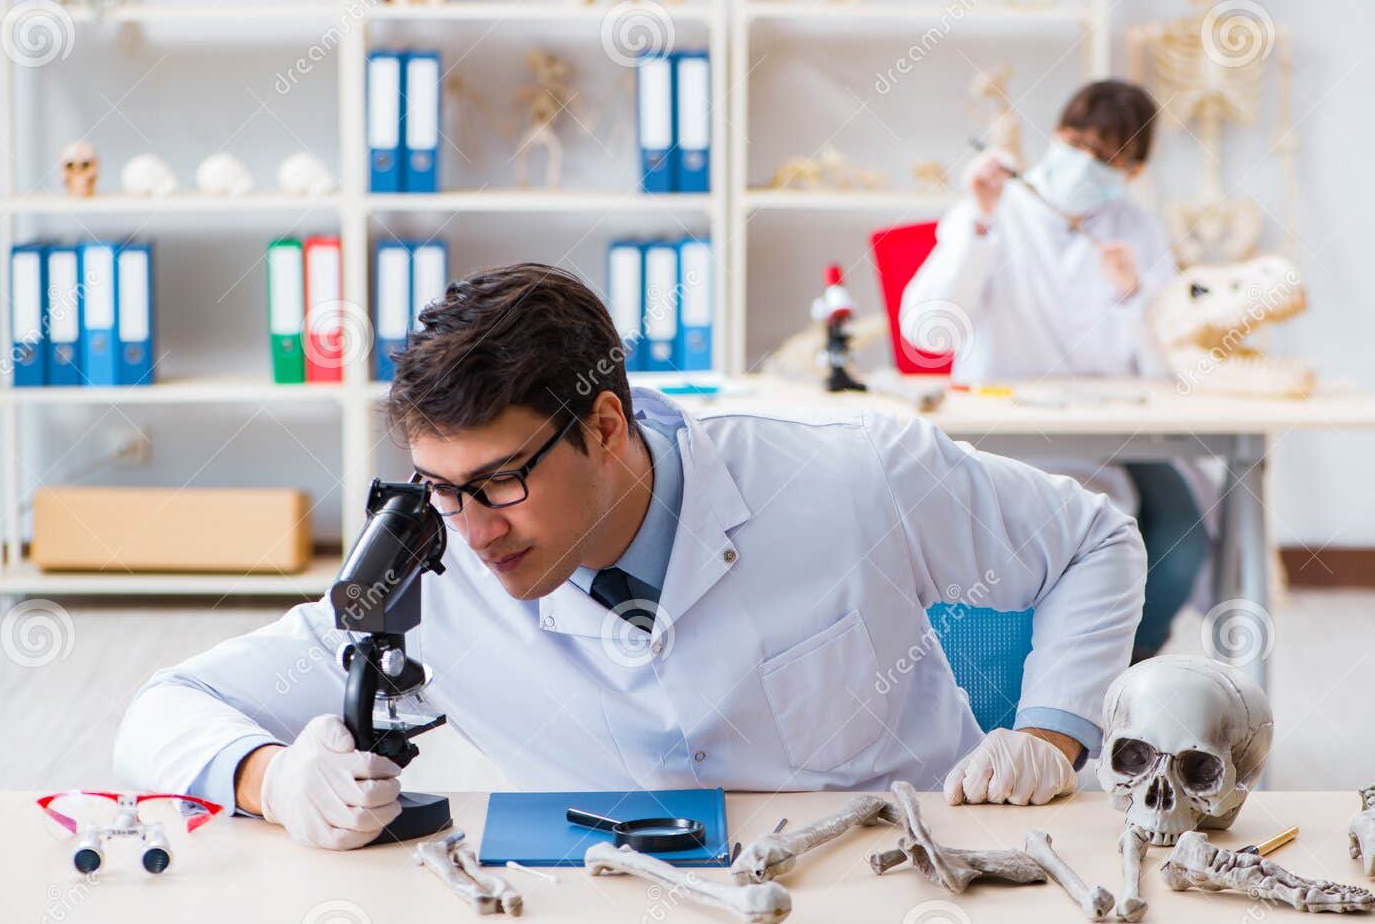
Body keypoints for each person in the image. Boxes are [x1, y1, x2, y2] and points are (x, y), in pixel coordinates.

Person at [114, 264, 1145, 850]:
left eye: (501, 483)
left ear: (605, 426)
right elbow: (162, 707)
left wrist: (1053, 735)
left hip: (904, 890)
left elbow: (1093, 537)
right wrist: (270, 780)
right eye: (442, 487)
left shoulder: (854, 475)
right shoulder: (433, 570)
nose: (472, 531)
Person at [900, 79, 1208, 660]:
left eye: (1106, 155)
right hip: (998, 434)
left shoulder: (1137, 230)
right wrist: (982, 224)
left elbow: (1167, 369)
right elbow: (925, 327)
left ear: (1133, 171)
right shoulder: (994, 210)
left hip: (1113, 439)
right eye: (1076, 143)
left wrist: (1133, 297)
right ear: (1056, 137)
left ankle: (1118, 671)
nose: (1084, 162)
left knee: (1183, 543)